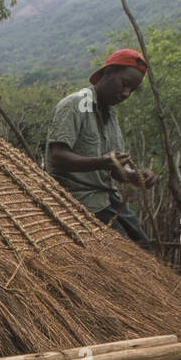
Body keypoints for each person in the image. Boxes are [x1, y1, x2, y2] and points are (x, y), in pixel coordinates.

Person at [45, 48, 158, 248]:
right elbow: (56, 157)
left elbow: (114, 169)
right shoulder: (77, 104)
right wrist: (101, 162)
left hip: (107, 198)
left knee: (144, 246)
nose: (125, 94)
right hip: (78, 198)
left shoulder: (110, 115)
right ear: (108, 72)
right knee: (127, 253)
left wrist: (134, 176)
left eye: (131, 90)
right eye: (124, 84)